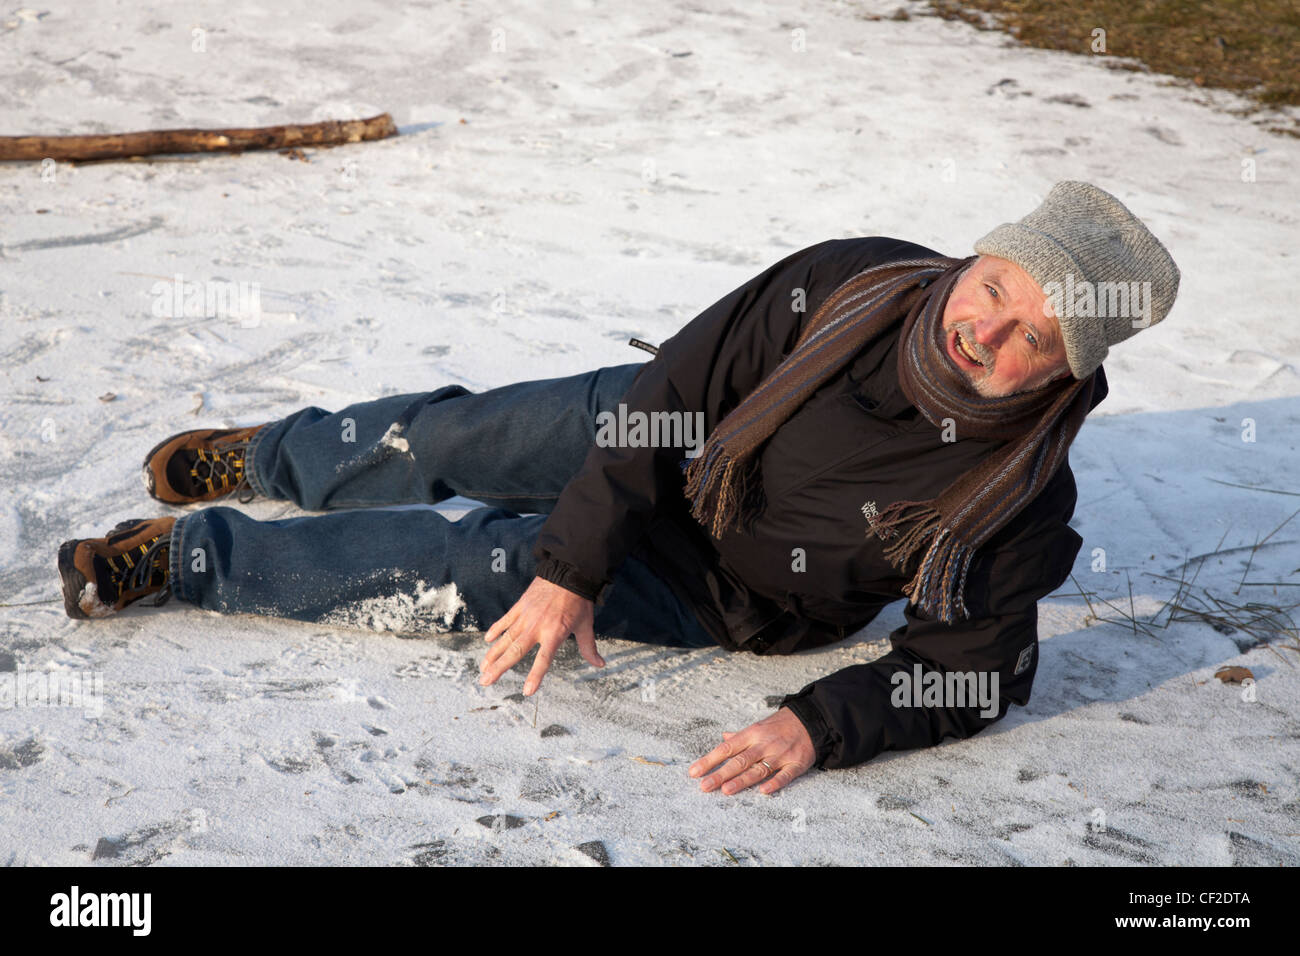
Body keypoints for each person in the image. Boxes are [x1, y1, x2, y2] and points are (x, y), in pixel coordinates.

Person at [58, 181, 1180, 797]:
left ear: (1071, 366)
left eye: (1034, 333)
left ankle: (189, 556)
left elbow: (972, 673)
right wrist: (574, 564)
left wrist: (822, 722)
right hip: (673, 429)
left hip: (729, 586)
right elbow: (679, 387)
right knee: (476, 433)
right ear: (974, 257)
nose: (983, 329)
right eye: (993, 286)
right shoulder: (851, 282)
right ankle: (271, 459)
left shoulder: (1016, 500)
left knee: (477, 564)